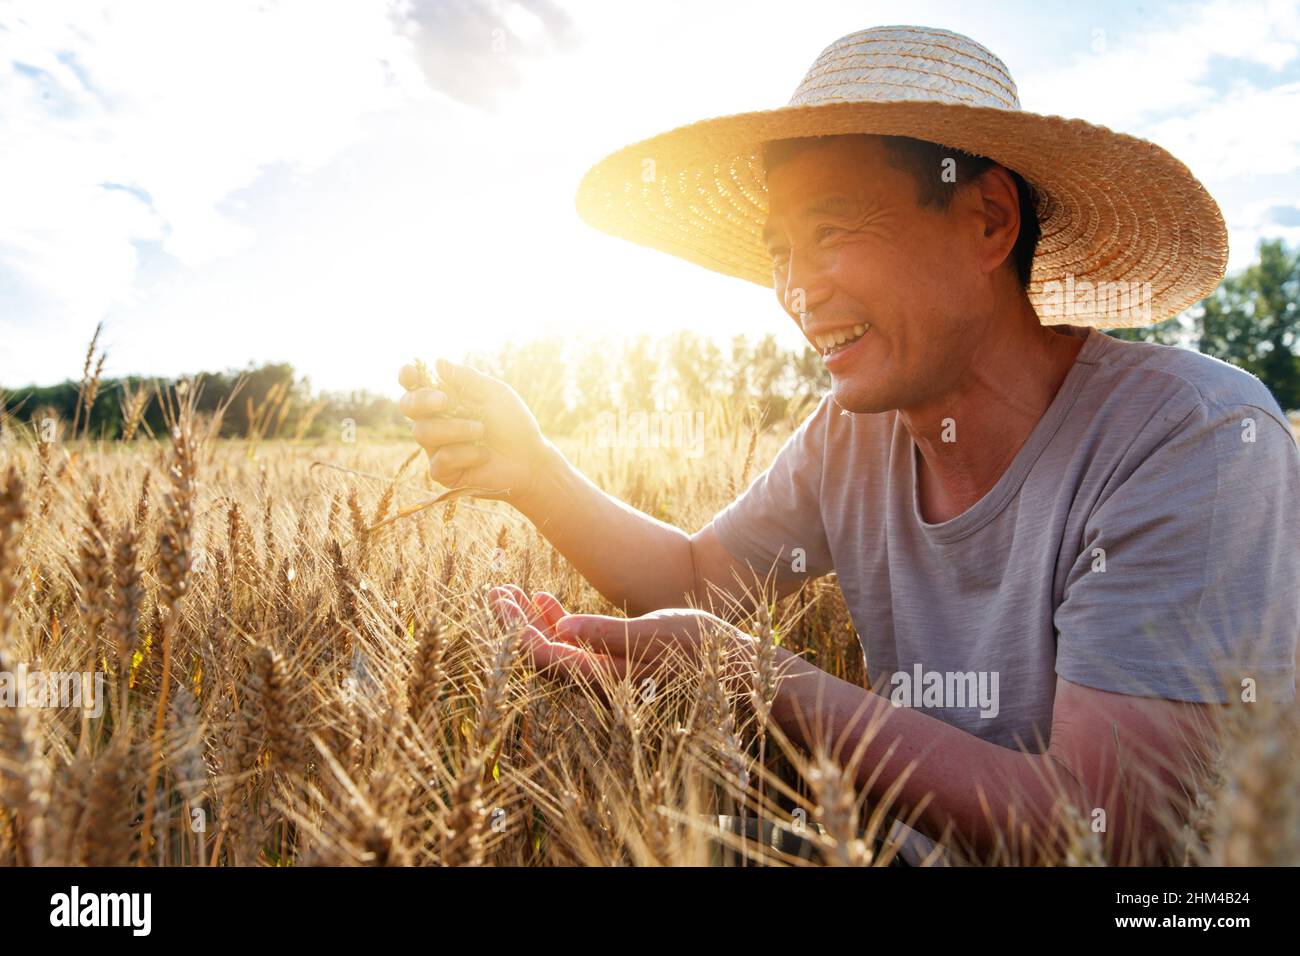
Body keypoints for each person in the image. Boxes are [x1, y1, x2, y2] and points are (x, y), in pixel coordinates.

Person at [399, 25, 1299, 865]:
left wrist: (749, 674)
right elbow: (695, 581)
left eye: (830, 230)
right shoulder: (852, 435)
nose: (796, 289)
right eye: (780, 251)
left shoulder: (1194, 438)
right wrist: (533, 473)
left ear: (989, 220)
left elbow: (1096, 829)